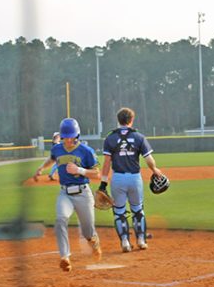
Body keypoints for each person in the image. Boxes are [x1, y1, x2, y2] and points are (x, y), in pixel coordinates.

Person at [33, 118, 102, 272]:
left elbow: (97, 173)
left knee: (88, 232)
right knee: (61, 219)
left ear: (77, 135)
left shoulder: (86, 151)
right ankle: (65, 257)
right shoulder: (57, 149)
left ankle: (94, 241)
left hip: (83, 193)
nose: (68, 140)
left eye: (71, 136)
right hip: (65, 193)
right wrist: (41, 168)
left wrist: (80, 170)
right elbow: (52, 158)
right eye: (66, 136)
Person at [99, 108, 165, 253]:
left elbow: (106, 163)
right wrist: (155, 170)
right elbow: (148, 159)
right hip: (135, 178)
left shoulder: (110, 138)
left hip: (118, 178)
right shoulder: (138, 137)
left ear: (118, 120)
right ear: (131, 120)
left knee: (119, 212)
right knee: (138, 210)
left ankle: (125, 242)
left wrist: (103, 184)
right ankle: (141, 240)